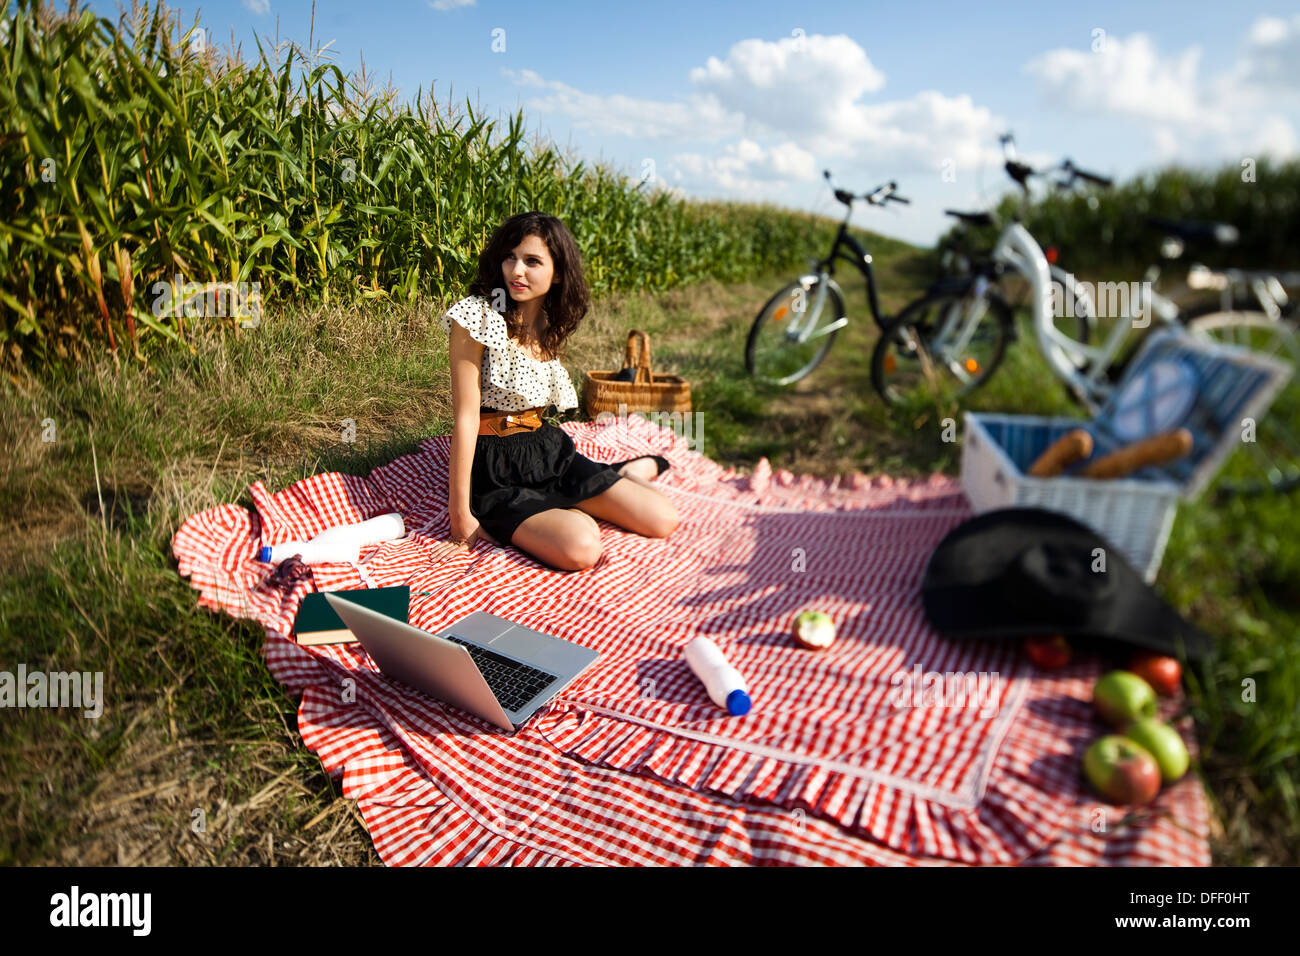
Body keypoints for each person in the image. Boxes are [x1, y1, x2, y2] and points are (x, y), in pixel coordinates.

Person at [436, 211, 680, 571]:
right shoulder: (477, 316)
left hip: (546, 450)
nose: (516, 271)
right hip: (495, 468)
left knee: (662, 518)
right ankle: (571, 508)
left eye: (532, 261)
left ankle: (620, 474)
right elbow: (465, 417)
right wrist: (461, 521)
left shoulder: (548, 326)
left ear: (559, 272)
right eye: (509, 257)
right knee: (582, 548)